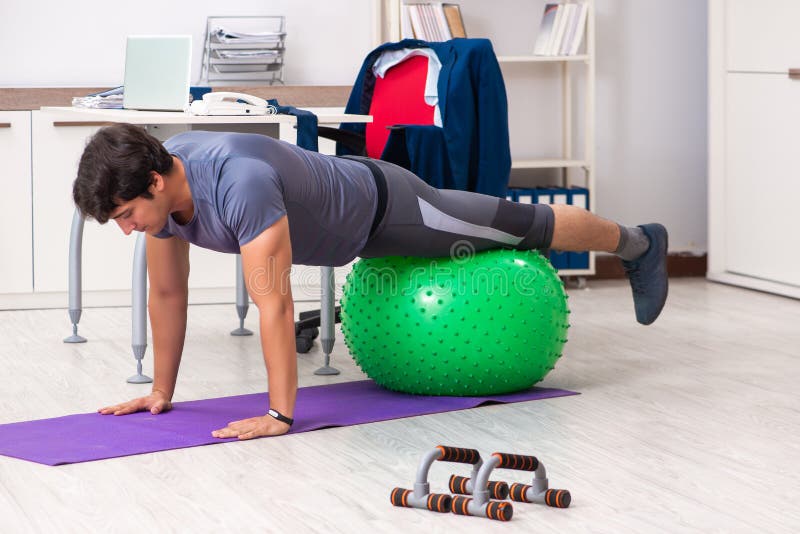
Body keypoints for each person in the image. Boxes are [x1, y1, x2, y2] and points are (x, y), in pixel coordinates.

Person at [73, 124, 668, 441]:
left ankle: (640, 242)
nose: (128, 230)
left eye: (126, 215)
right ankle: (637, 241)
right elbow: (168, 295)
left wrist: (279, 416)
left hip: (390, 209)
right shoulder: (161, 193)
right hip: (351, 229)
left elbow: (274, 305)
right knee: (512, 225)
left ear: (154, 181)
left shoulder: (240, 185)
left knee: (519, 226)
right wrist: (160, 393)